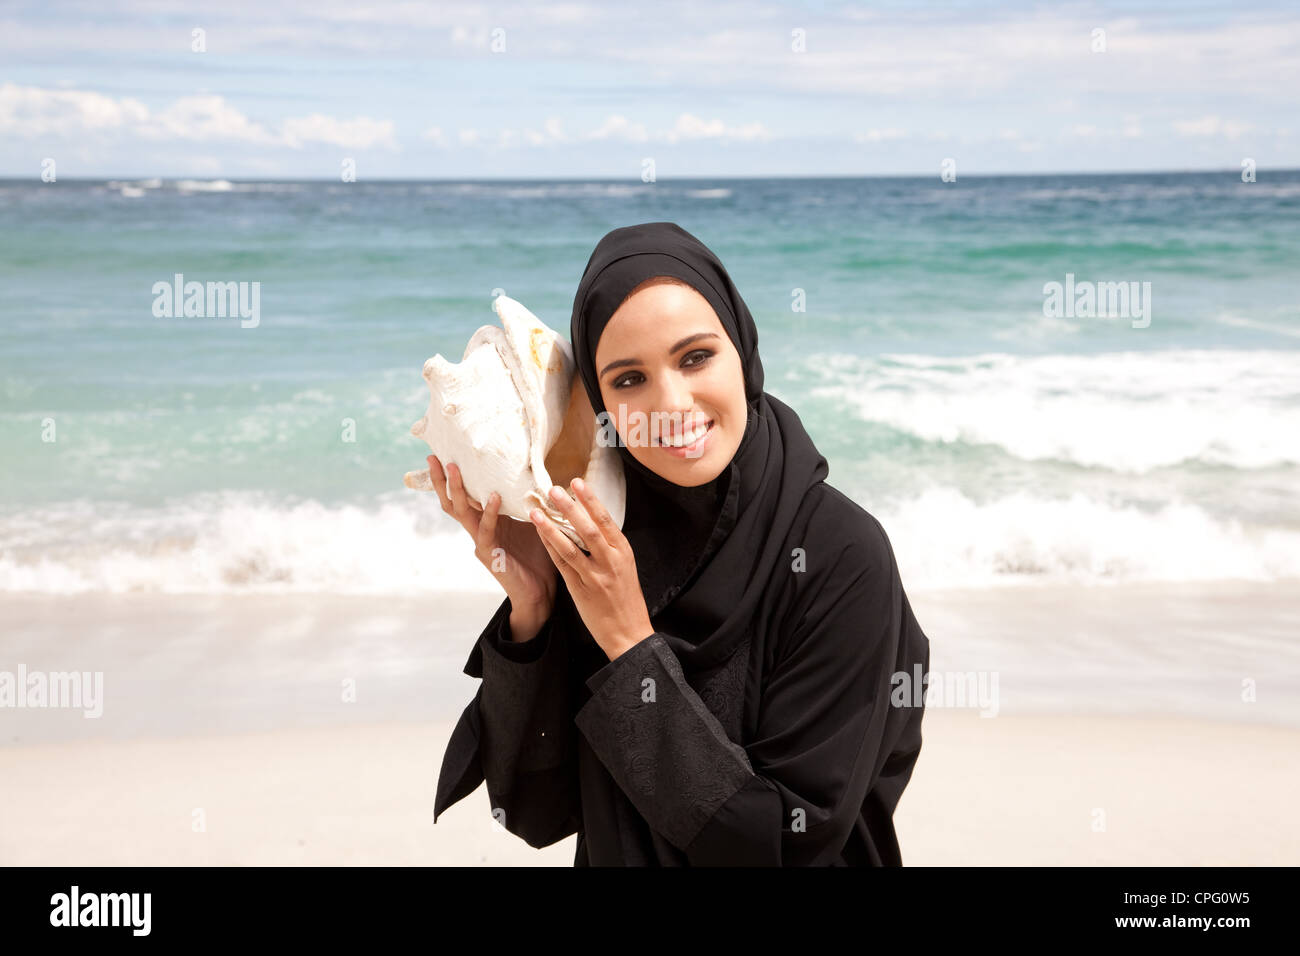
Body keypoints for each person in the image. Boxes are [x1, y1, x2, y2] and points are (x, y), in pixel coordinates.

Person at [430, 221, 930, 865]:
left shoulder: (839, 556)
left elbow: (785, 843)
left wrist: (630, 647)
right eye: (629, 379)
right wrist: (535, 614)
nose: (670, 403)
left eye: (696, 357)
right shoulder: (607, 544)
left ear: (742, 348)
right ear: (601, 404)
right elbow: (534, 811)